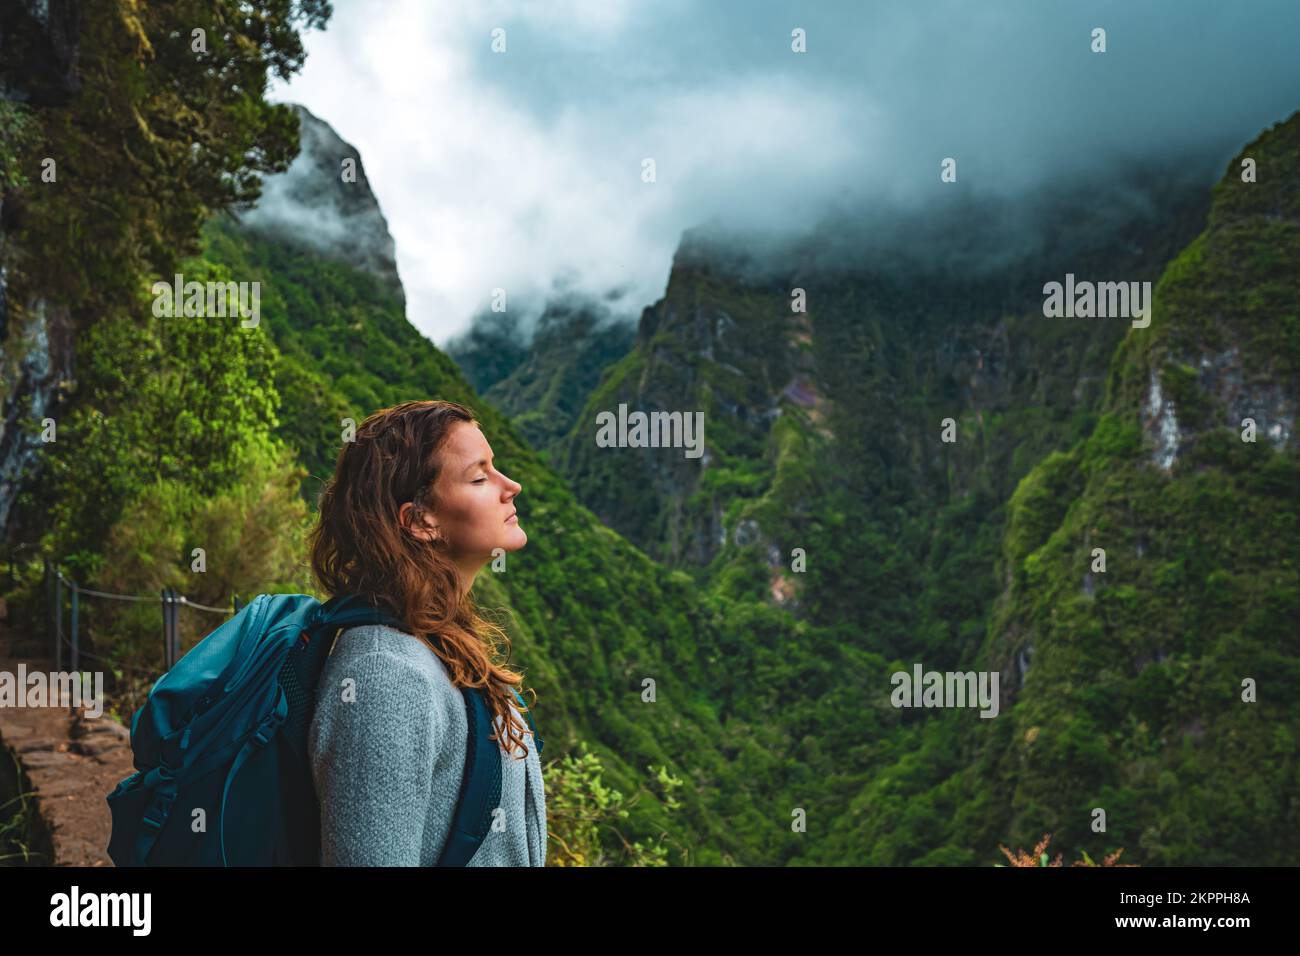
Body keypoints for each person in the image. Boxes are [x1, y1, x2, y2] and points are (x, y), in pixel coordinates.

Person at [306, 399, 545, 865]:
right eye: (479, 478)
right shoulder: (384, 677)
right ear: (420, 521)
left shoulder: (437, 645)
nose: (511, 486)